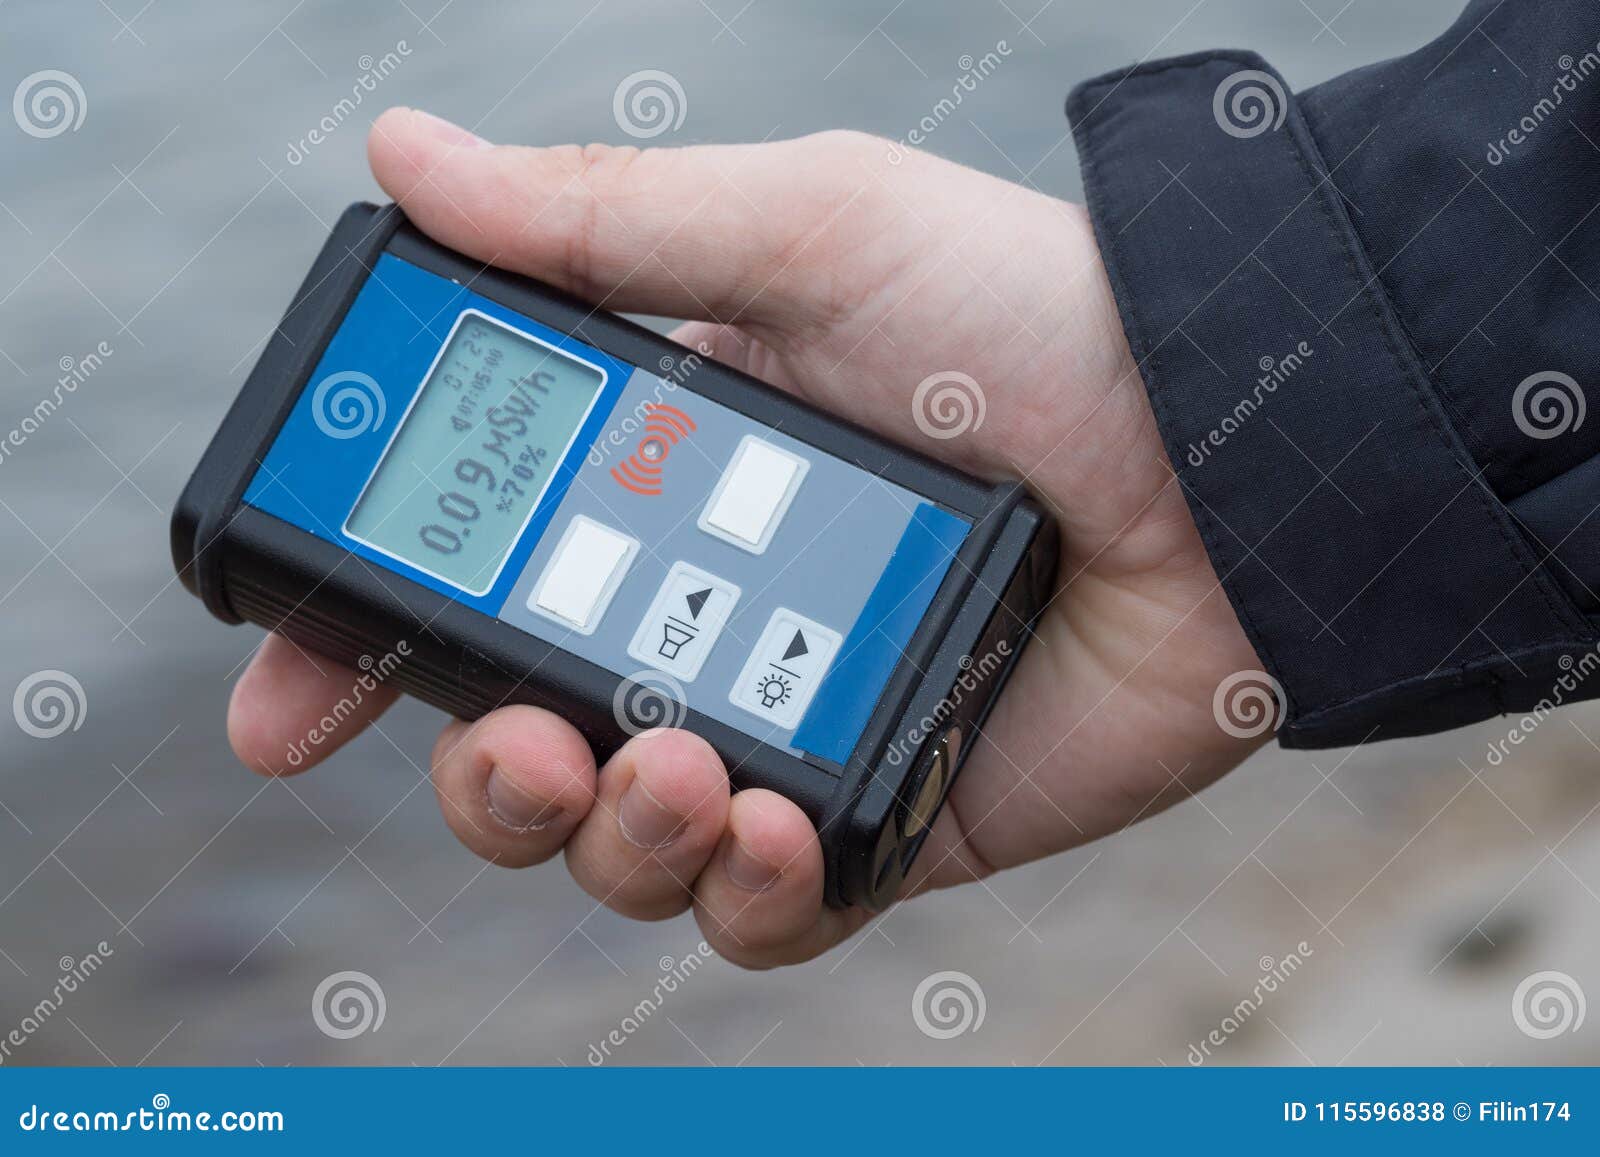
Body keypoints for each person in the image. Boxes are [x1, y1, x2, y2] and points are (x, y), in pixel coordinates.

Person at [227, 0, 1600, 967]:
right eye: (458, 508)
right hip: (1063, 564)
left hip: (1037, 560)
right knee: (605, 779)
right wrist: (1210, 432)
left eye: (507, 429)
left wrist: (1191, 432)